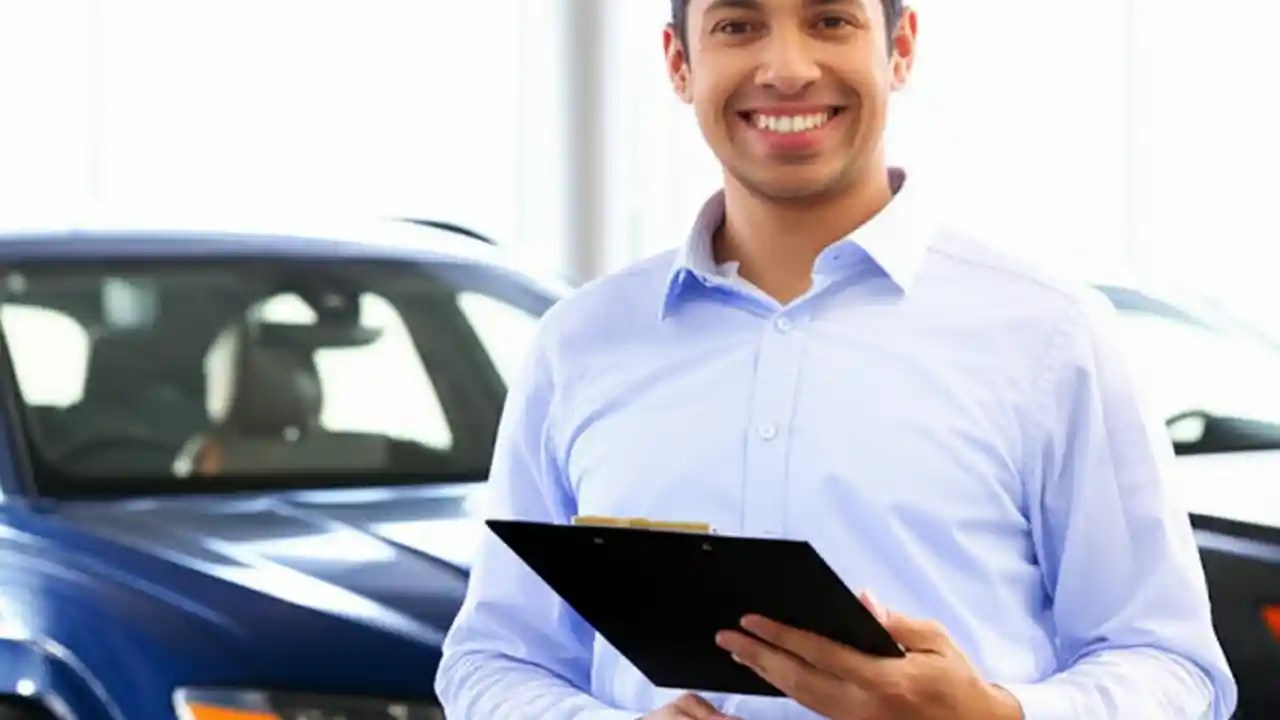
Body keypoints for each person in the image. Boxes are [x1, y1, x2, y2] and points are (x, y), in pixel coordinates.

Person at [434, 0, 1238, 718]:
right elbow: (495, 659)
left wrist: (997, 719)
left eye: (830, 20)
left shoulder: (1051, 335)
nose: (786, 68)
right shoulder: (579, 343)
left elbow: (1172, 667)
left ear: (901, 47)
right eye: (737, 26)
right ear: (681, 63)